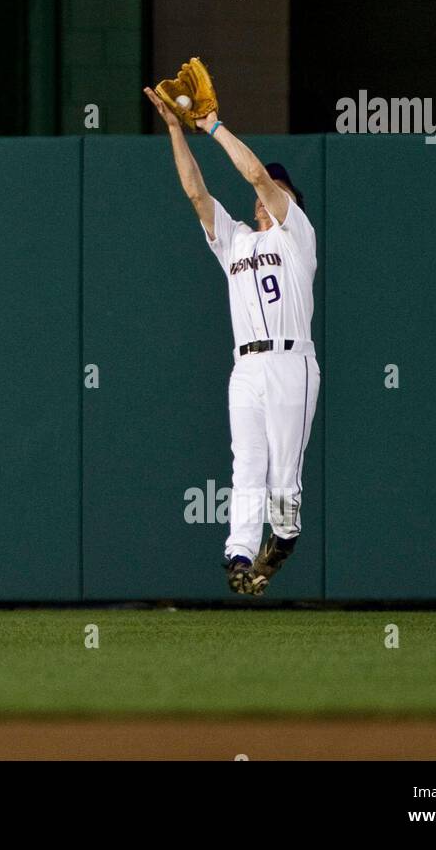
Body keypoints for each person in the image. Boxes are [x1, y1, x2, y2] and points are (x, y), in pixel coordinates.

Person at [146, 85, 319, 596]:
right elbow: (197, 194)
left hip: (292, 362)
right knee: (246, 466)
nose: (270, 193)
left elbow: (257, 175)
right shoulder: (237, 239)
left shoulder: (298, 236)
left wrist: (215, 127)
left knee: (283, 476)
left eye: (281, 190)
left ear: (292, 202)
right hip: (245, 367)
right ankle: (239, 557)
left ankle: (284, 535)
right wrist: (178, 131)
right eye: (271, 191)